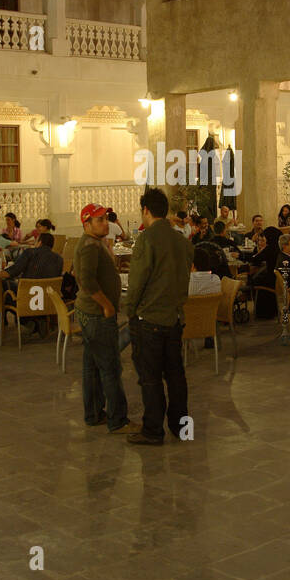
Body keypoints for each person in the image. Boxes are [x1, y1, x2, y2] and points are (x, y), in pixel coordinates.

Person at [123, 187, 193, 445]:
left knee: (150, 377)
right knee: (176, 374)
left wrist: (131, 310)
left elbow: (138, 280)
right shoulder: (182, 241)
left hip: (150, 319)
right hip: (174, 317)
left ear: (146, 210)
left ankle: (153, 429)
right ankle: (182, 426)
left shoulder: (147, 239)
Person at [70, 205, 136, 434]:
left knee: (91, 367)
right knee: (110, 367)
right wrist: (107, 305)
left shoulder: (96, 243)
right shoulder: (89, 246)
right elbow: (86, 281)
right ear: (86, 224)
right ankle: (118, 420)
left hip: (92, 313)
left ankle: (94, 413)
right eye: (99, 220)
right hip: (96, 315)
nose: (105, 223)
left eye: (105, 218)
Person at [245, 226, 281, 319]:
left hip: (270, 280)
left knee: (253, 280)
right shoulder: (278, 248)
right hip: (277, 278)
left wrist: (240, 256)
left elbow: (256, 259)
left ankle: (261, 311)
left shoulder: (270, 248)